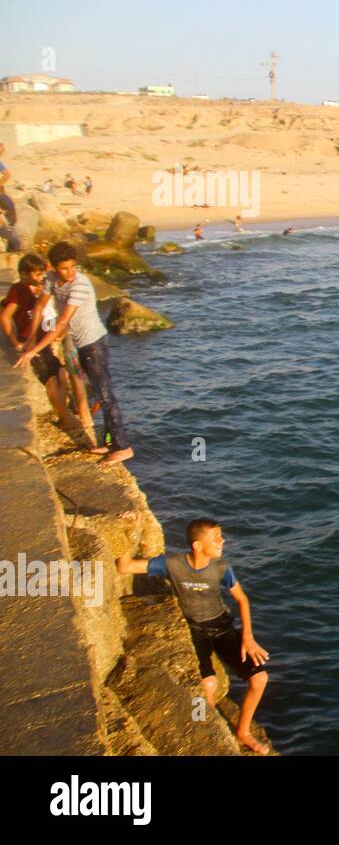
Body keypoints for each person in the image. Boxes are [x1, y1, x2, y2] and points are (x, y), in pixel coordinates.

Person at [117, 518, 271, 755]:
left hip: (221, 626)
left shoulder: (221, 566)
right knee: (208, 684)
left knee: (260, 678)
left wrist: (248, 638)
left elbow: (242, 599)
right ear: (198, 545)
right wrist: (130, 531)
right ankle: (210, 733)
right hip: (194, 629)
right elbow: (125, 567)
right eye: (216, 537)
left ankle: (243, 732)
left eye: (221, 536)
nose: (223, 540)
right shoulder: (172, 564)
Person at [14, 241, 133, 464]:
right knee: (99, 394)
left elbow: (62, 322)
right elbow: (39, 308)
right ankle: (109, 442)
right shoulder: (51, 280)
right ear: (52, 267)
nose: (70, 273)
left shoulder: (80, 285)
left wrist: (33, 351)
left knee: (105, 396)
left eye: (72, 267)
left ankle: (123, 447)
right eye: (64, 268)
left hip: (93, 343)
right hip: (79, 343)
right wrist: (29, 340)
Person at [1, 254, 79, 434]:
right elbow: (5, 316)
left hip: (43, 340)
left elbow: (47, 315)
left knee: (61, 373)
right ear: (24, 274)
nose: (41, 278)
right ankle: (64, 417)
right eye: (37, 274)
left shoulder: (40, 289)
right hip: (30, 341)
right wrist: (15, 343)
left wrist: (56, 334)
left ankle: (65, 411)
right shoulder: (18, 290)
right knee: (50, 378)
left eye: (42, 274)